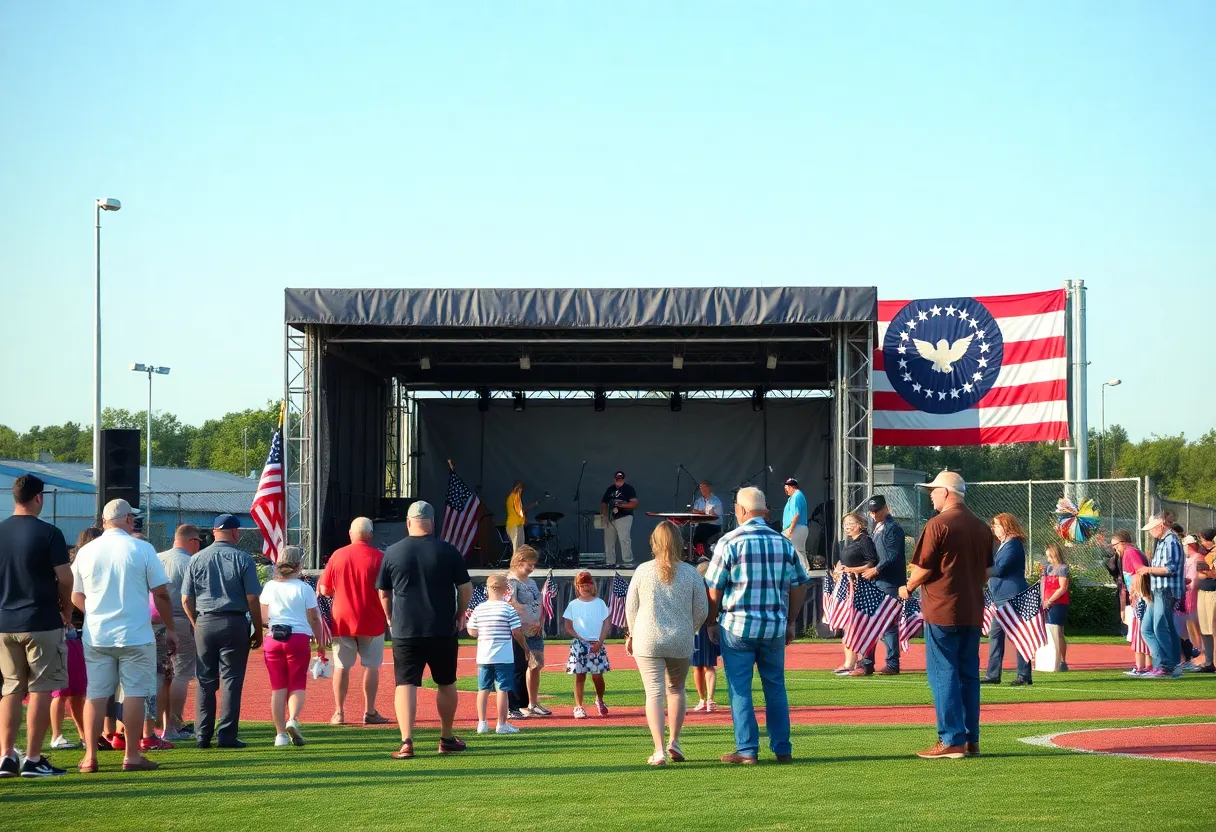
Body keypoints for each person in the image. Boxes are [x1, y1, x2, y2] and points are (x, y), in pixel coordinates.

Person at [72, 499, 178, 774]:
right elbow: (161, 593)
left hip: (98, 634)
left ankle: (90, 756)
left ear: (103, 521)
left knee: (96, 694)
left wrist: (94, 614)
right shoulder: (142, 548)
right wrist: (171, 628)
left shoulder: (86, 551)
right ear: (129, 520)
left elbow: (76, 595)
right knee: (134, 693)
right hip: (136, 634)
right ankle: (132, 755)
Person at [705, 486, 809, 764]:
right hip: (774, 627)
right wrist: (791, 621)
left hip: (737, 626)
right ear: (764, 511)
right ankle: (782, 748)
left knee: (740, 688)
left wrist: (711, 620)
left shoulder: (729, 542)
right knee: (775, 688)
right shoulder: (784, 543)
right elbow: (800, 585)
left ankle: (747, 749)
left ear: (740, 510)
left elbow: (714, 588)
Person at [898, 471, 992, 760]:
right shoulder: (982, 527)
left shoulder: (938, 524)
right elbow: (988, 572)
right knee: (968, 675)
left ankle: (951, 739)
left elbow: (924, 568)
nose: (931, 496)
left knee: (943, 673)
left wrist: (908, 586)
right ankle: (970, 739)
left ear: (947, 493)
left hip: (942, 608)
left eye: (934, 491)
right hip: (972, 609)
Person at [377, 500, 472, 759]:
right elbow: (465, 588)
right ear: (432, 523)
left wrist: (389, 617)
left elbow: (384, 592)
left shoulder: (392, 552)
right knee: (446, 682)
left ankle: (406, 741)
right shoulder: (448, 550)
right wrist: (460, 613)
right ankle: (446, 737)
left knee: (405, 684)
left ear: (408, 522)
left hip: (405, 629)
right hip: (442, 628)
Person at [0, 474, 73, 777]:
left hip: (4, 622)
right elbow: (66, 577)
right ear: (39, 498)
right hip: (41, 620)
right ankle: (32, 758)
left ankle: (6, 756)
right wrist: (66, 609)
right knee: (42, 689)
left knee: (10, 689)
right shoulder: (49, 533)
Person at [625, 522, 708, 765]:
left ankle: (659, 749)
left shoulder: (642, 571)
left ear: (654, 543)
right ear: (679, 543)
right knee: (677, 689)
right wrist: (690, 628)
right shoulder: (691, 572)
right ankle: (674, 741)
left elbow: (631, 608)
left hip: (647, 639)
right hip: (680, 639)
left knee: (654, 693)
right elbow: (701, 610)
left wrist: (632, 634)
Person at [181, 514, 263, 748]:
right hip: (233, 622)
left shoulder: (196, 559)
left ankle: (202, 735)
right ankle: (226, 734)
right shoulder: (243, 559)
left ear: (214, 532)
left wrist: (196, 623)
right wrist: (258, 630)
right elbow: (252, 597)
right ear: (235, 532)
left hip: (205, 621)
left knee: (205, 680)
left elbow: (186, 599)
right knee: (231, 680)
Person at [318, 517, 389, 726]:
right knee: (372, 666)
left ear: (350, 534)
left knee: (341, 667)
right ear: (370, 535)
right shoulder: (379, 557)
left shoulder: (338, 555)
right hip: (371, 619)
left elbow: (325, 589)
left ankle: (339, 712)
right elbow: (387, 590)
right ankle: (369, 711)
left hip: (342, 620)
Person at [260, 545, 328, 747]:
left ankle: (280, 734)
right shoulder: (304, 588)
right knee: (297, 683)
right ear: (299, 565)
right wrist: (321, 643)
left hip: (274, 637)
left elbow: (263, 617)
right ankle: (292, 719)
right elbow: (315, 618)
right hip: (298, 638)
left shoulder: (270, 586)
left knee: (278, 687)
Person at [50, 527, 102, 751]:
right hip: (66, 634)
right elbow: (64, 595)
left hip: (80, 636)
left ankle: (83, 735)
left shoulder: (85, 566)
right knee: (61, 691)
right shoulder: (74, 569)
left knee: (79, 690)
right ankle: (57, 735)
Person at [465, 573, 528, 735]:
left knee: (483, 689)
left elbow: (471, 631)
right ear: (505, 589)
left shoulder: (479, 609)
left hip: (484, 655)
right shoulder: (508, 609)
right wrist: (525, 647)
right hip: (503, 656)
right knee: (502, 689)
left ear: (487, 588)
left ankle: (482, 723)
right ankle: (501, 723)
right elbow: (517, 632)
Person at [157, 524, 201, 741]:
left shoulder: (156, 557)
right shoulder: (190, 562)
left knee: (161, 676)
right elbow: (193, 597)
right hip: (180, 621)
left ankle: (155, 726)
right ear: (192, 541)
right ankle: (173, 727)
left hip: (153, 622)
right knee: (181, 674)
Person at [983, 513, 1032, 687]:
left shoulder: (1014, 544)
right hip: (1000, 597)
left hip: (1011, 596)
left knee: (1018, 635)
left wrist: (980, 572)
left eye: (997, 525)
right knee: (995, 635)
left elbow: (1001, 568)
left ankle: (1024, 674)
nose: (994, 529)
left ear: (1006, 526)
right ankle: (993, 674)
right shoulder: (1003, 545)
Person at [860, 495, 906, 676]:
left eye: (876, 511)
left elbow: (893, 556)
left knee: (888, 624)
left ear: (885, 508)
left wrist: (876, 569)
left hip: (889, 582)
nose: (873, 514)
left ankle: (892, 664)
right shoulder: (877, 526)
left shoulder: (893, 528)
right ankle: (867, 663)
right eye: (871, 512)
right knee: (870, 621)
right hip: (877, 581)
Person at [1136, 513, 1185, 678]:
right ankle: (1165, 664)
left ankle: (1167, 665)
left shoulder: (1171, 541)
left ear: (1160, 525)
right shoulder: (1164, 541)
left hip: (1165, 590)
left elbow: (1170, 568)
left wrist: (1148, 569)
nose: (1150, 532)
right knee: (1149, 628)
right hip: (1158, 590)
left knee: (1160, 627)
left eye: (1152, 528)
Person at [505, 545, 550, 719]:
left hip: (535, 630)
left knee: (536, 665)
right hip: (519, 632)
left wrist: (540, 622)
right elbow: (511, 606)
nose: (532, 568)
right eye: (529, 564)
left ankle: (533, 702)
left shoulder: (531, 582)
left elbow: (539, 603)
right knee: (520, 668)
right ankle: (518, 705)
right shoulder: (510, 582)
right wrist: (527, 622)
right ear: (519, 561)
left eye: (534, 565)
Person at [833, 512, 880, 676]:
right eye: (845, 524)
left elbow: (871, 563)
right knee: (848, 624)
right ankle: (850, 661)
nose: (846, 527)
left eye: (850, 523)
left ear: (860, 525)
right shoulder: (851, 542)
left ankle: (856, 662)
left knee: (855, 624)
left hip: (860, 587)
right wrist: (839, 570)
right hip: (848, 585)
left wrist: (851, 570)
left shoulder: (865, 540)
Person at [563, 572, 612, 718]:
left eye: (587, 585)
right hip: (580, 644)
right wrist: (580, 637)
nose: (585, 588)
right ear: (577, 587)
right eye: (582, 585)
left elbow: (606, 623)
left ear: (592, 586)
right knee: (580, 676)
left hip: (597, 643)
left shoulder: (600, 603)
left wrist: (600, 642)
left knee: (597, 676)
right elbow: (568, 626)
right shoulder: (573, 604)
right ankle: (578, 706)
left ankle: (600, 699)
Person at [1111, 530, 1152, 675]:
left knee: (1139, 632)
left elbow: (1140, 570)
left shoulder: (1130, 552)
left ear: (1123, 543)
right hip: (1139, 597)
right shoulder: (1130, 553)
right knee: (1140, 631)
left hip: (1140, 598)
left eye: (1115, 545)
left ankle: (1141, 667)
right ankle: (1146, 665)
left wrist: (1135, 591)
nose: (1115, 549)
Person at [690, 557, 719, 712]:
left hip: (696, 628)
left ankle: (703, 699)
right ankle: (709, 699)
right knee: (709, 666)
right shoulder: (713, 586)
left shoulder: (695, 585)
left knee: (698, 667)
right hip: (709, 626)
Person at [1041, 543, 1071, 671]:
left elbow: (1062, 588)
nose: (1048, 559)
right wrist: (1043, 600)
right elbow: (1042, 584)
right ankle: (1051, 658)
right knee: (1047, 631)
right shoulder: (1047, 568)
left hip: (1058, 603)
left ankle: (1061, 661)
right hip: (1046, 602)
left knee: (1058, 632)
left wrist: (1050, 600)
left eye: (1050, 556)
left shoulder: (1063, 568)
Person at [601, 470, 638, 567]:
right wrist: (605, 516)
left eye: (621, 479)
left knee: (624, 539)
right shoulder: (610, 489)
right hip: (610, 517)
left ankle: (628, 562)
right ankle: (610, 562)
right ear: (614, 479)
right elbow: (604, 503)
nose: (619, 480)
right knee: (609, 540)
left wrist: (621, 505)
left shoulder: (629, 489)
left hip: (624, 516)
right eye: (617, 479)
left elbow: (634, 503)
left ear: (624, 479)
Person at [1193, 528, 1216, 673]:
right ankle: (1209, 662)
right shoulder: (1206, 554)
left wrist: (1206, 573)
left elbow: (1213, 573)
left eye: (1202, 539)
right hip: (1203, 592)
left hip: (1213, 592)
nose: (1201, 542)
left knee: (1214, 628)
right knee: (1205, 628)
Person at [1181, 535, 1205, 672]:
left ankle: (1200, 650)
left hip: (1192, 593)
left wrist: (1190, 587)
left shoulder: (1198, 558)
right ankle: (1194, 649)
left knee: (1195, 623)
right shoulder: (1187, 559)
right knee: (1188, 624)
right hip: (1186, 593)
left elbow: (1195, 577)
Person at [781, 478, 810, 571]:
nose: (785, 491)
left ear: (790, 487)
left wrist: (791, 529)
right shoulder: (798, 496)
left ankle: (802, 570)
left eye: (786, 488)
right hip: (800, 527)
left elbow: (796, 514)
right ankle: (805, 570)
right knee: (799, 551)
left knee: (795, 550)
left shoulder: (796, 496)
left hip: (795, 528)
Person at [505, 482, 540, 554]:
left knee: (520, 549)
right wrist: (534, 504)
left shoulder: (514, 498)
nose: (522, 491)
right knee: (517, 549)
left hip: (517, 525)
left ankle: (520, 560)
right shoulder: (514, 497)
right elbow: (521, 510)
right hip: (515, 525)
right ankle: (516, 561)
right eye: (521, 489)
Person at [691, 480, 724, 555]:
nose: (702, 489)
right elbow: (694, 512)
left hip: (713, 526)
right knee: (698, 531)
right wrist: (704, 512)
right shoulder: (698, 501)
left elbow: (717, 516)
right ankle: (698, 553)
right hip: (701, 525)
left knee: (703, 530)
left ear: (709, 488)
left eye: (704, 487)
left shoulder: (716, 501)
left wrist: (701, 512)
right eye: (701, 487)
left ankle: (705, 553)